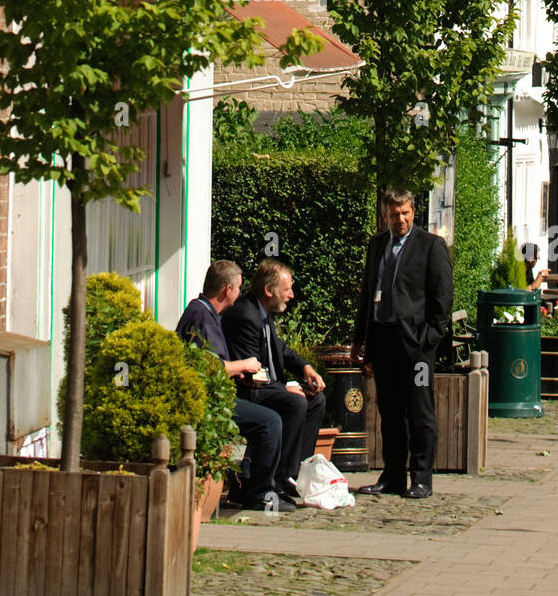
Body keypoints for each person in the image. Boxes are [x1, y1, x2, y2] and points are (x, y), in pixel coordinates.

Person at [350, 188, 453, 499]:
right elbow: (368, 294)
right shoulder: (376, 245)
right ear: (386, 215)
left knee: (420, 410)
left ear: (413, 211)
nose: (401, 219)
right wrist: (360, 338)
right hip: (384, 341)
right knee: (390, 411)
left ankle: (421, 478)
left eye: (406, 213)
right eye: (395, 214)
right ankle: (393, 476)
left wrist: (429, 340)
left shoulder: (431, 246)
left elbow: (442, 299)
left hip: (417, 345)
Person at [176, 260, 295, 513]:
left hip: (216, 395)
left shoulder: (208, 314)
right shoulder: (201, 316)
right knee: (269, 421)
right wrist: (243, 365)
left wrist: (238, 371)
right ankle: (258, 492)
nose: (241, 293)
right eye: (239, 287)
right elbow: (208, 367)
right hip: (206, 402)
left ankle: (252, 484)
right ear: (227, 290)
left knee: (268, 417)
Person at [222, 260, 326, 501]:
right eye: (286, 289)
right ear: (269, 291)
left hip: (265, 387)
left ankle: (294, 471)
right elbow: (252, 373)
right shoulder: (245, 315)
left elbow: (279, 348)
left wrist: (305, 368)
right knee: (295, 402)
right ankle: (276, 478)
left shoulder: (262, 313)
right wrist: (286, 388)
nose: (291, 295)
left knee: (316, 400)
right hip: (248, 392)